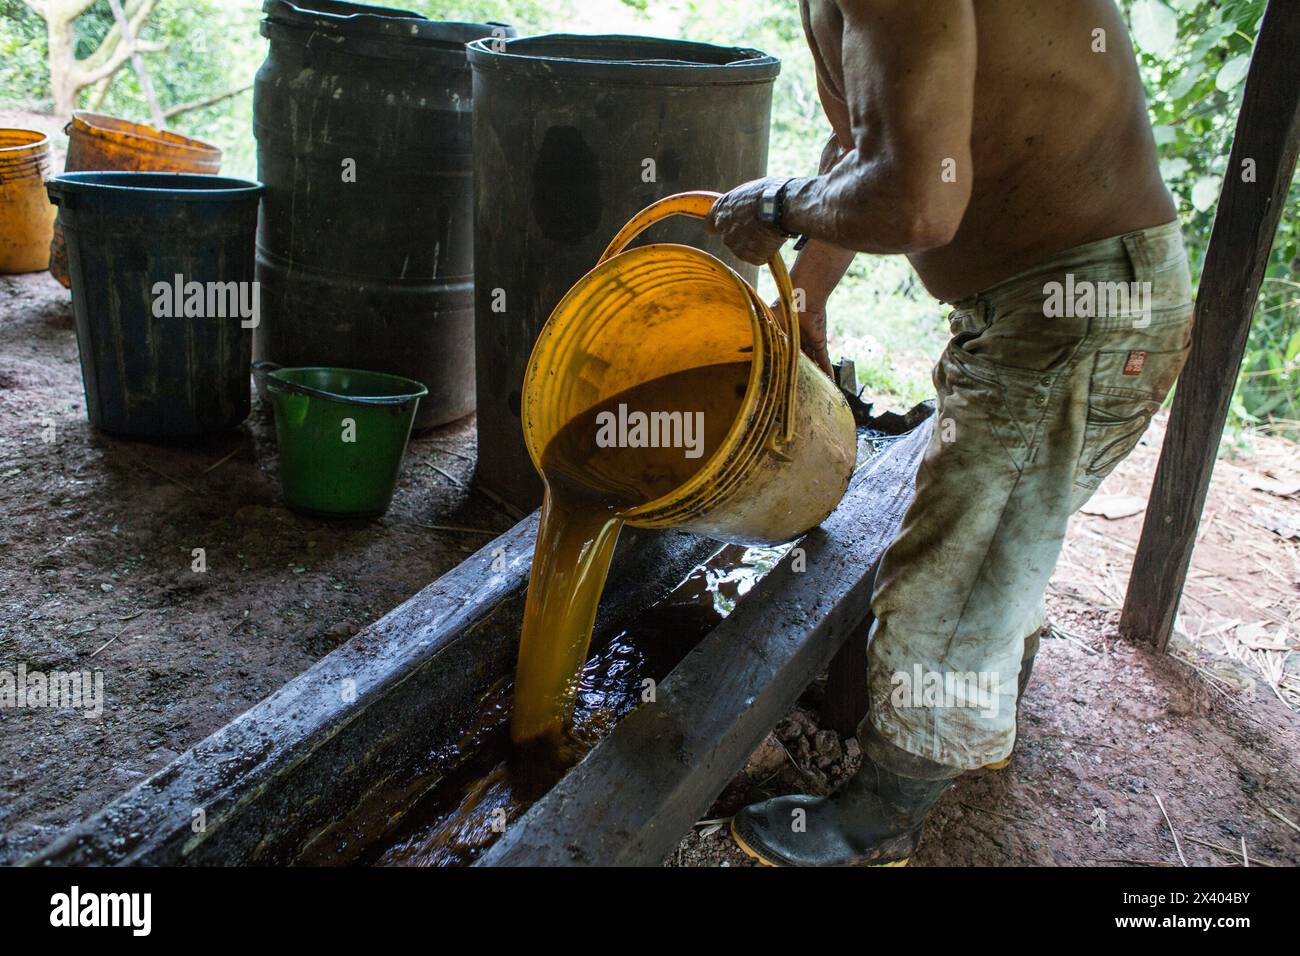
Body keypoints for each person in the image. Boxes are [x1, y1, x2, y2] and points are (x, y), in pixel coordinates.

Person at [706, 0, 1194, 867]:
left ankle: (885, 810)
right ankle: (990, 680)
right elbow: (871, 149)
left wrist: (777, 206)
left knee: (955, 567)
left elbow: (917, 199)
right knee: (995, 524)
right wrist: (805, 300)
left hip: (1080, 303)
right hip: (1050, 296)